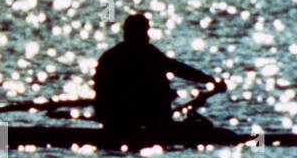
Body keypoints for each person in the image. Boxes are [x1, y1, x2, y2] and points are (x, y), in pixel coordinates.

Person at [93, 14, 226, 132]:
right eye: (144, 32)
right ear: (134, 33)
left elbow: (176, 67)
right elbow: (176, 68)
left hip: (114, 117)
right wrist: (210, 81)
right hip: (132, 116)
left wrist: (207, 80)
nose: (147, 36)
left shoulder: (111, 55)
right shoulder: (145, 54)